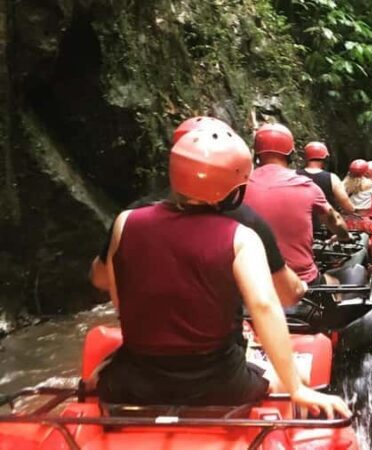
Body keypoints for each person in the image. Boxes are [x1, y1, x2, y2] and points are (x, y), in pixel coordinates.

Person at [94, 125, 350, 416]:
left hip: (132, 381)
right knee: (302, 377)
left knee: (96, 374)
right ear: (235, 182)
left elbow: (118, 297)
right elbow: (265, 307)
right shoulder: (241, 237)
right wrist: (296, 387)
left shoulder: (125, 222)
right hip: (218, 383)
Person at [91, 116, 306, 306]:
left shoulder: (132, 216)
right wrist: (301, 287)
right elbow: (286, 295)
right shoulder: (245, 223)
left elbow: (100, 278)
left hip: (144, 337)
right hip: (218, 339)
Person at [244, 123, 350, 286]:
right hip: (300, 279)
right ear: (291, 153)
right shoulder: (307, 186)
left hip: (249, 280)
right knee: (335, 283)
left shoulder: (239, 186)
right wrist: (344, 236)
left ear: (256, 152)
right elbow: (335, 219)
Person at [297, 141, 354, 232]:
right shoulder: (332, 178)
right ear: (325, 158)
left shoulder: (293, 175)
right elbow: (347, 206)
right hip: (325, 228)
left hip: (300, 226)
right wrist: (353, 210)